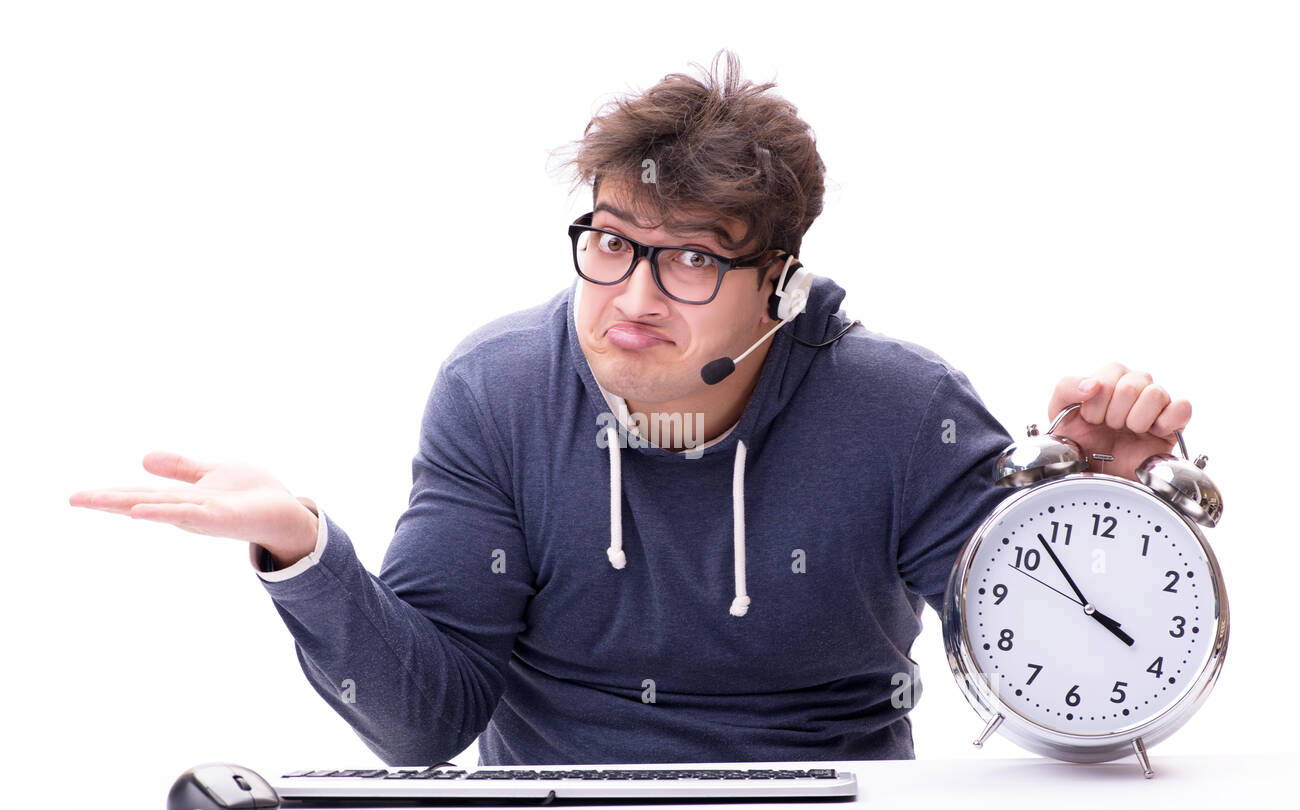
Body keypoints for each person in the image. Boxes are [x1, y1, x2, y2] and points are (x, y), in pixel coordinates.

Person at [69, 52, 1192, 767]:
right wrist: (303, 549)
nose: (633, 300)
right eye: (611, 244)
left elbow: (1060, 710)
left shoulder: (905, 411)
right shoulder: (496, 393)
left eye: (693, 259)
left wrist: (1094, 518)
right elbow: (424, 723)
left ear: (781, 286)